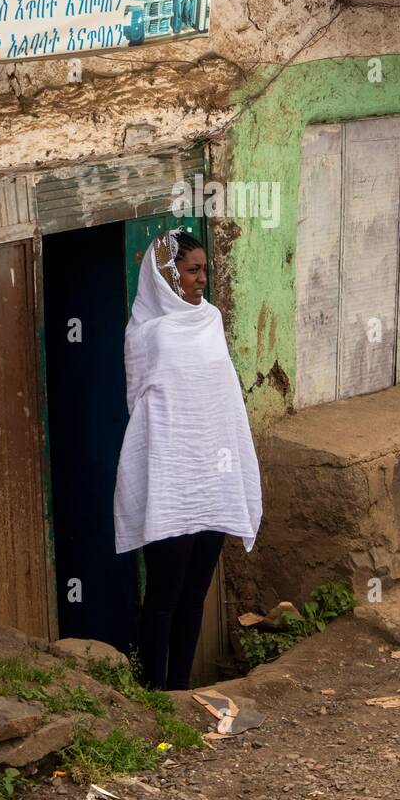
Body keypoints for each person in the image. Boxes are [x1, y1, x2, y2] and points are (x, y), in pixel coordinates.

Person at [115, 230, 262, 690]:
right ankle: (153, 695)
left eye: (204, 270)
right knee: (163, 596)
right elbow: (143, 409)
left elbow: (223, 402)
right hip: (171, 482)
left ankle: (180, 691)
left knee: (195, 594)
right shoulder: (147, 335)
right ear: (165, 274)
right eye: (192, 270)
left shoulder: (211, 320)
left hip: (212, 479)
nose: (202, 280)